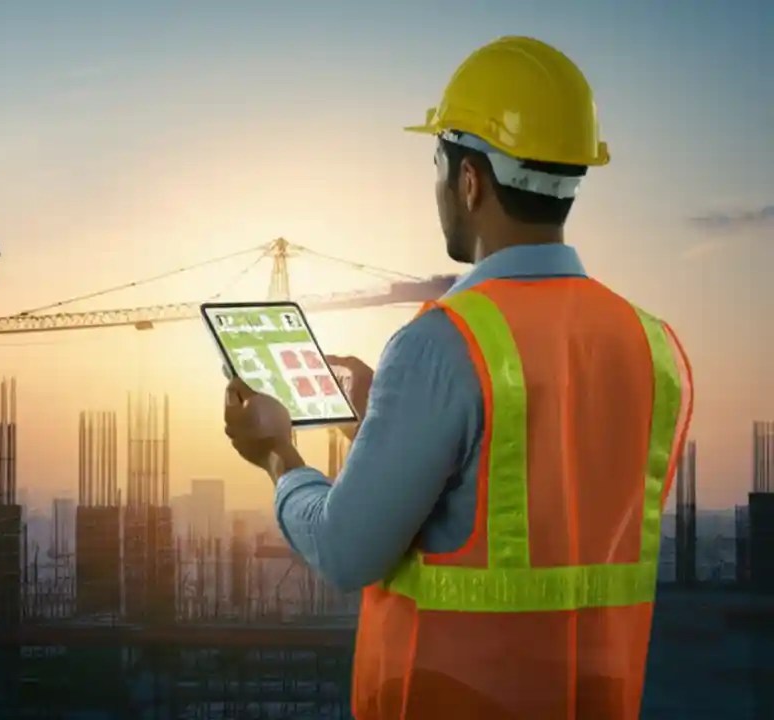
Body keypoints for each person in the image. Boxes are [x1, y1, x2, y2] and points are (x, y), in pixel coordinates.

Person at [223, 36, 694, 720]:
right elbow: (526, 492)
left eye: (438, 166)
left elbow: (344, 549)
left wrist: (276, 453)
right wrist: (379, 426)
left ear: (469, 179)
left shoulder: (442, 344)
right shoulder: (655, 347)